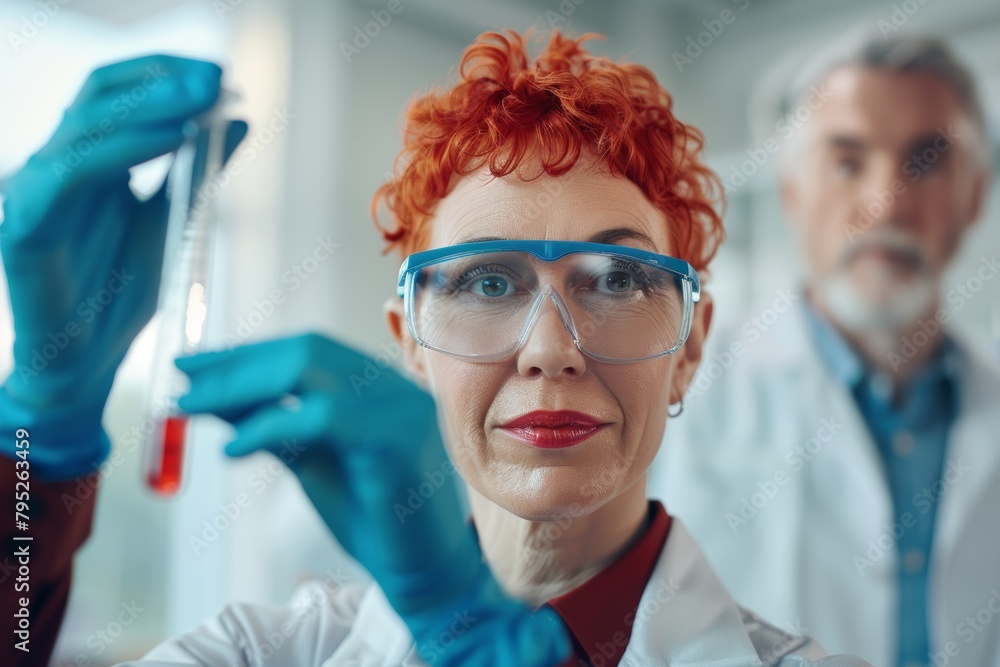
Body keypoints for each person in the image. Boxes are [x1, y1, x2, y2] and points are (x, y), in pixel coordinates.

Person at [0, 31, 870, 666]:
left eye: (614, 278)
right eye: (488, 283)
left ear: (689, 346)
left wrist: (476, 634)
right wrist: (40, 439)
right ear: (409, 346)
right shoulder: (263, 653)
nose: (548, 351)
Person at [653, 32, 999, 667]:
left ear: (974, 196)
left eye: (927, 162)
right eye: (847, 161)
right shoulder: (674, 387)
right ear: (791, 193)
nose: (886, 204)